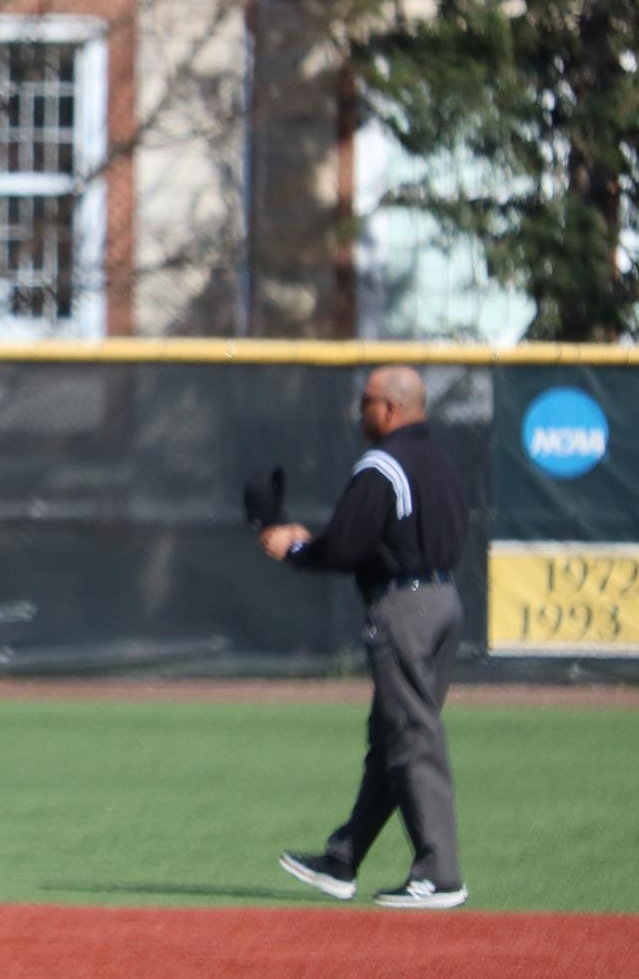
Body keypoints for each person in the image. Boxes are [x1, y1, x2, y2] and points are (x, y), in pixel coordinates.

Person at [259, 365, 470, 910]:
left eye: (367, 402)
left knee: (412, 736)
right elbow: (390, 536)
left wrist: (297, 549)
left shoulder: (383, 464)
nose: (360, 412)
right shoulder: (440, 462)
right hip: (444, 600)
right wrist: (323, 541)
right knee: (392, 737)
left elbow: (346, 547)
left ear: (392, 409)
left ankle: (439, 874)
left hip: (406, 610)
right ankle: (343, 858)